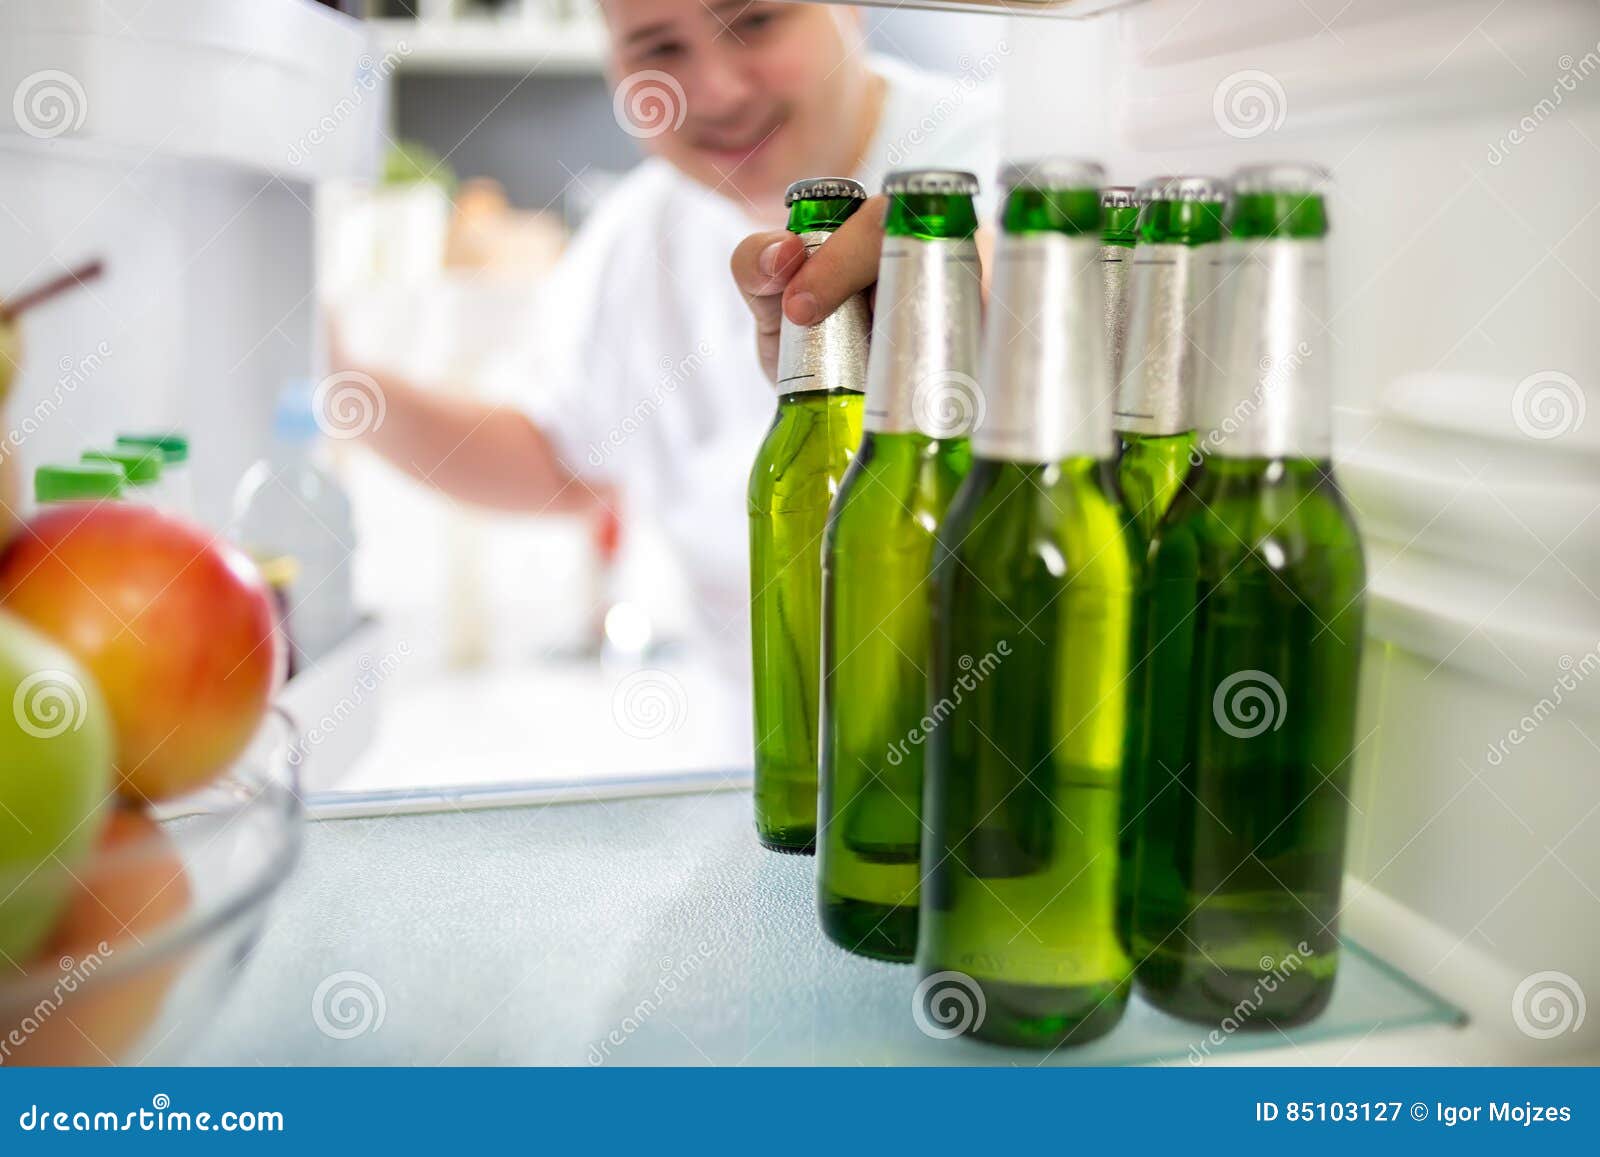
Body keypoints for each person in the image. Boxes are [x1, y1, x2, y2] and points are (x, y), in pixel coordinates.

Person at [329, 0, 997, 697]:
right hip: (769, 773)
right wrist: (338, 383)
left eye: (758, 23)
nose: (717, 91)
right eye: (659, 49)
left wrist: (973, 304)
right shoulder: (640, 234)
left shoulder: (1005, 157)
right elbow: (560, 456)